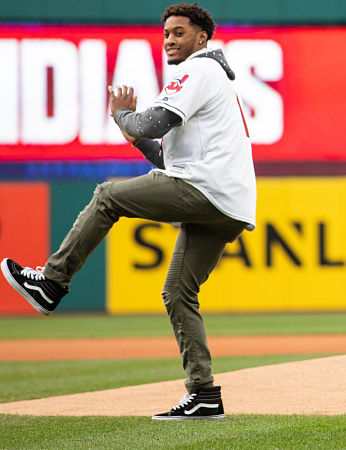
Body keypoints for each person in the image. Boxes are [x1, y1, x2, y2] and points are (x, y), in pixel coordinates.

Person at [1, 3, 256, 420]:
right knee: (178, 293)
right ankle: (205, 394)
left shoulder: (200, 69)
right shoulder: (211, 78)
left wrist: (124, 115)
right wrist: (133, 134)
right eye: (167, 34)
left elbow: (151, 123)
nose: (171, 40)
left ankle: (51, 281)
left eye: (179, 32)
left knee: (107, 196)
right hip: (230, 201)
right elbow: (165, 157)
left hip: (207, 189)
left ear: (202, 38)